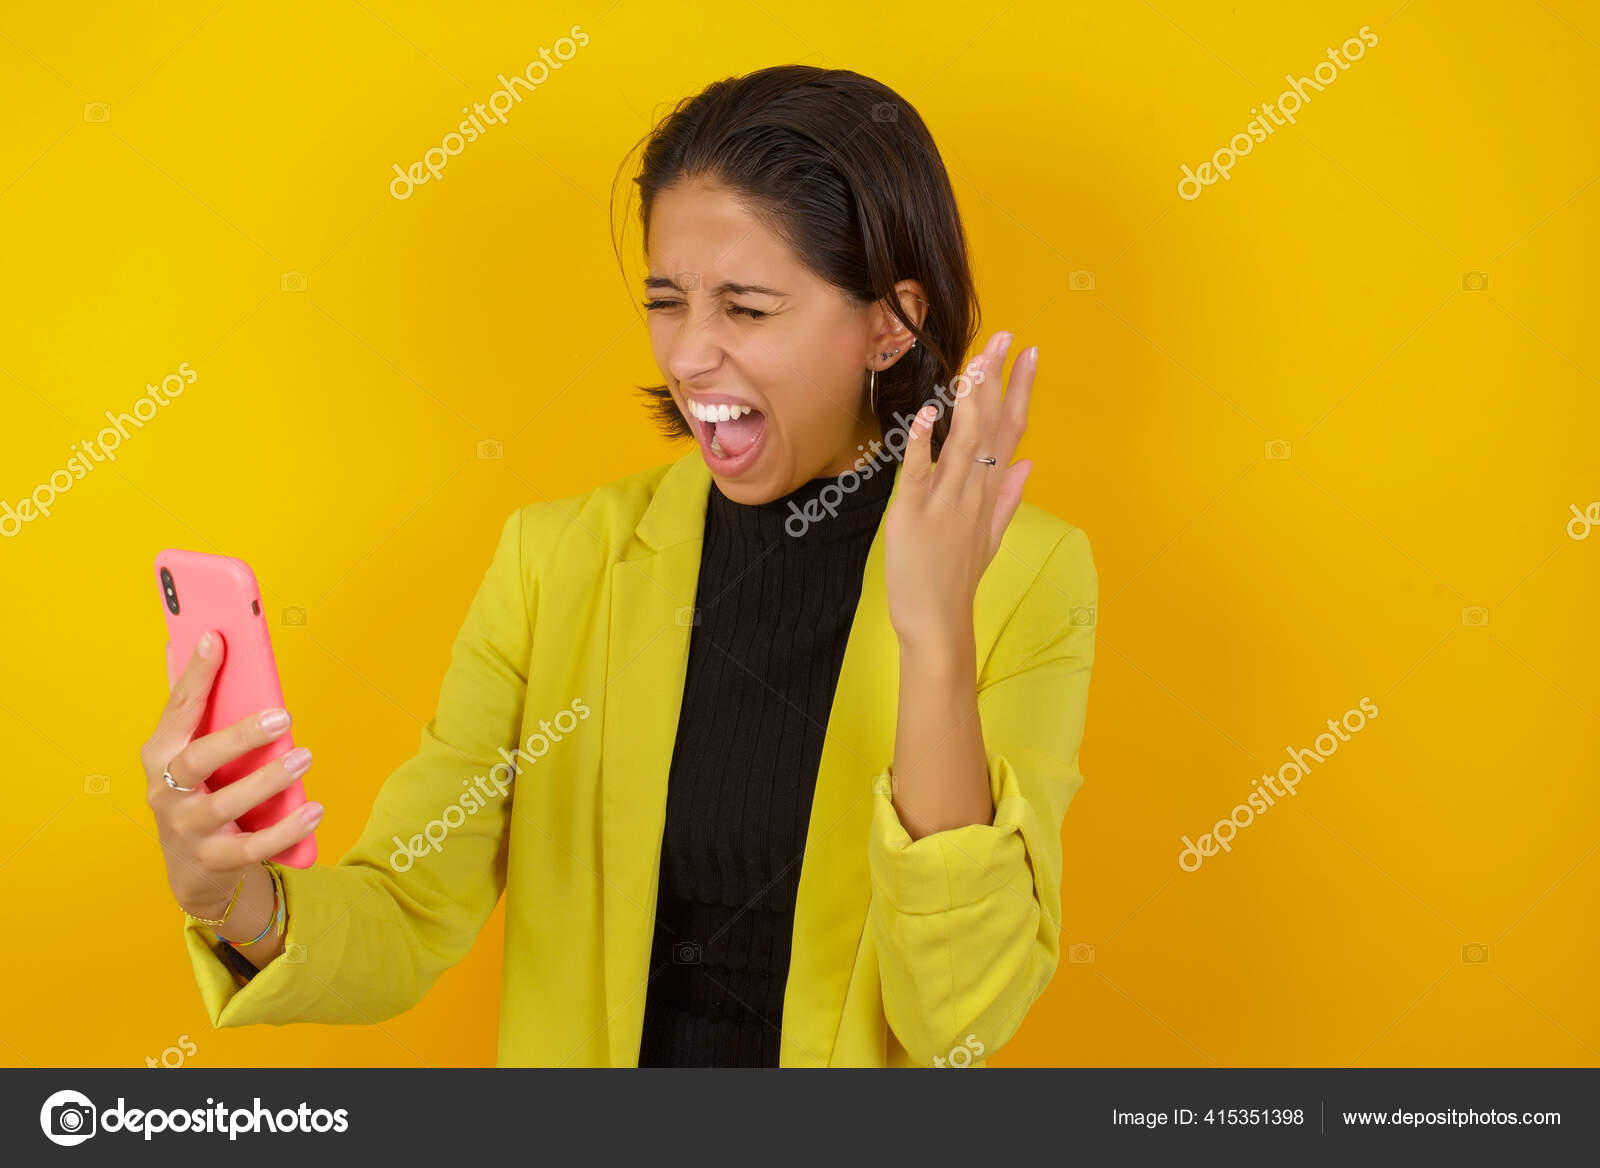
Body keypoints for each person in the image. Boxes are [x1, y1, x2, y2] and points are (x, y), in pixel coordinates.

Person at [141, 64, 1097, 1068]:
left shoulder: (1027, 575)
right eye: (667, 301)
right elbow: (406, 908)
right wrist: (232, 896)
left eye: (747, 308)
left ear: (889, 322)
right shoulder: (556, 563)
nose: (687, 356)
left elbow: (962, 1016)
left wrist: (936, 631)